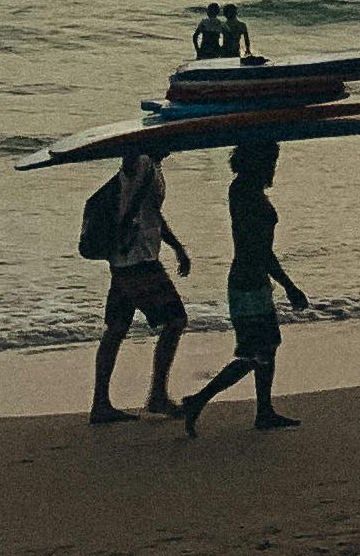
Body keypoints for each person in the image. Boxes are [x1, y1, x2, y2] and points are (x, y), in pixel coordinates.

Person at [181, 140, 309, 434]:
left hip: (254, 281)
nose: (273, 169)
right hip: (248, 283)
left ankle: (264, 410)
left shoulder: (246, 190)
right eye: (270, 162)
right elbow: (260, 250)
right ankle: (198, 400)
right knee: (255, 353)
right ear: (257, 163)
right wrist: (290, 286)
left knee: (268, 347)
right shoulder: (244, 192)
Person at [92, 148, 191, 425]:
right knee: (176, 320)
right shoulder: (140, 164)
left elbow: (153, 214)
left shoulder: (154, 167)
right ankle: (157, 395)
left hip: (128, 259)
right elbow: (128, 156)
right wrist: (135, 141)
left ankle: (100, 404)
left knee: (117, 328)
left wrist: (177, 247)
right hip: (138, 262)